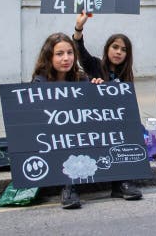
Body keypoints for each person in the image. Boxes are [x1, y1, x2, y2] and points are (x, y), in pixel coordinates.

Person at [71, 12, 143, 200]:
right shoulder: (94, 65)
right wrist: (79, 27)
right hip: (92, 123)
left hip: (115, 126)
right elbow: (79, 49)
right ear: (107, 49)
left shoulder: (126, 77)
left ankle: (121, 184)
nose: (118, 52)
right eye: (115, 47)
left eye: (123, 49)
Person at [31, 32, 104, 209]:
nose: (66, 58)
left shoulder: (82, 79)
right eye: (59, 54)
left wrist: (98, 91)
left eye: (70, 53)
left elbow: (96, 114)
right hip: (53, 140)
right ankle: (69, 188)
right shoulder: (39, 83)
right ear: (49, 57)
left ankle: (122, 184)